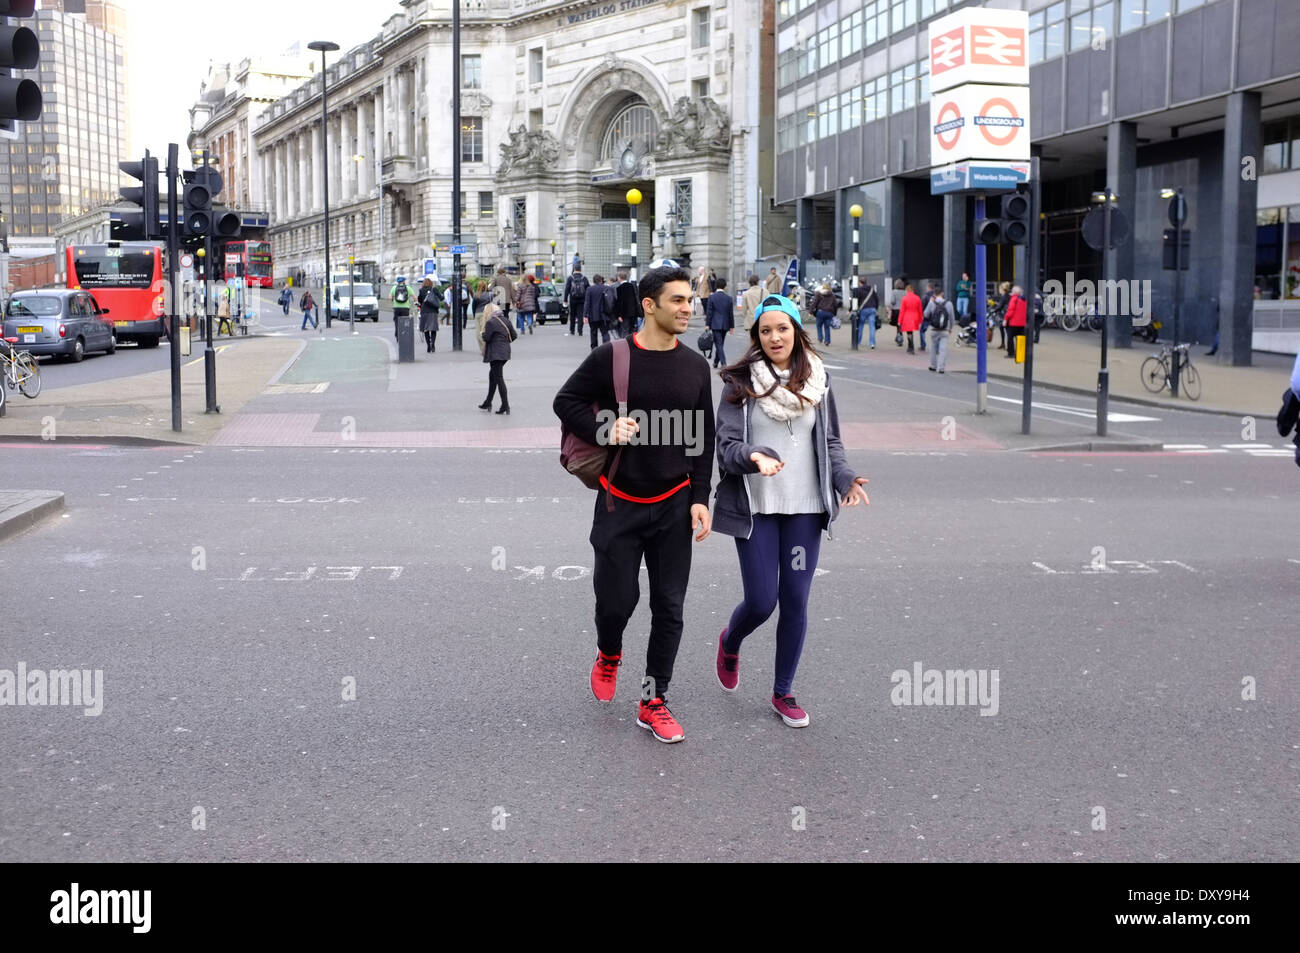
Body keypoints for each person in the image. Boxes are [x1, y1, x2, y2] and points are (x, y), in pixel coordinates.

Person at [552, 265, 716, 744]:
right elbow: (566, 401)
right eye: (679, 301)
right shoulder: (613, 356)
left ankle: (652, 700)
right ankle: (608, 652)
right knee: (616, 602)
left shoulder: (693, 366)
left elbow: (703, 438)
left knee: (670, 607)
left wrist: (701, 497)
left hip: (673, 504)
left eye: (691, 300)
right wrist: (606, 430)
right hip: (619, 503)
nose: (689, 308)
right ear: (649, 305)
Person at [711, 293, 869, 728]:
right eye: (766, 330)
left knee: (795, 599)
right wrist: (753, 455)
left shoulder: (819, 380)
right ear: (757, 337)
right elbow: (725, 448)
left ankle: (784, 692)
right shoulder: (740, 383)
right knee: (762, 602)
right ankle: (730, 641)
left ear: (797, 331)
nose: (775, 337)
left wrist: (846, 480)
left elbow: (831, 443)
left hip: (804, 510)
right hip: (758, 508)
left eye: (782, 328)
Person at [476, 302, 517, 414]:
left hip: (495, 354)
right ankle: (488, 402)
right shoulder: (506, 320)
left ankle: (505, 405)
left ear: (488, 312)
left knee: (498, 378)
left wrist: (483, 334)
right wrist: (504, 342)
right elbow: (514, 335)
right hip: (505, 353)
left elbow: (487, 338)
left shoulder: (490, 322)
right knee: (493, 376)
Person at [705, 276, 736, 368]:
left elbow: (709, 312)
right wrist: (732, 326)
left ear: (716, 286)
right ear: (725, 286)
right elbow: (731, 313)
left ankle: (723, 363)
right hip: (726, 324)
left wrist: (707, 324)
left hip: (715, 324)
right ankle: (715, 362)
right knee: (720, 344)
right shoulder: (729, 298)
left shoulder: (712, 297)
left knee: (719, 344)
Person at [924, 286, 954, 374]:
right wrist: (950, 328)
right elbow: (952, 318)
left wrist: (930, 302)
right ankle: (941, 368)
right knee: (943, 349)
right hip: (945, 329)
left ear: (934, 294)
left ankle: (933, 366)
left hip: (934, 329)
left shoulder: (932, 303)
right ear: (942, 293)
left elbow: (925, 314)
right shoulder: (949, 304)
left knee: (933, 347)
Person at [583, 274, 613, 349]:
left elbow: (587, 303)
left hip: (593, 316)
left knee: (593, 333)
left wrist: (585, 315)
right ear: (601, 280)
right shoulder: (607, 288)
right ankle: (606, 349)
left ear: (593, 281)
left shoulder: (590, 289)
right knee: (605, 333)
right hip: (605, 315)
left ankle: (594, 349)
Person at [611, 270, 642, 340]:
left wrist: (619, 315)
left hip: (624, 314)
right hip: (634, 313)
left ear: (619, 278)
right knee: (633, 330)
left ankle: (626, 346)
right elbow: (636, 299)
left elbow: (620, 303)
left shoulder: (619, 288)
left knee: (625, 330)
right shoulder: (632, 286)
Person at [564, 266, 590, 337]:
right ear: (580, 270)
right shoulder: (584, 278)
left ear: (574, 269)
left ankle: (572, 330)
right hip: (582, 300)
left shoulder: (570, 278)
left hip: (572, 299)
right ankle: (580, 331)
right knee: (580, 315)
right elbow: (588, 289)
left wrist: (565, 300)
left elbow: (567, 289)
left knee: (572, 314)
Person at [810, 282, 838, 347]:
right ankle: (827, 341)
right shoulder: (832, 295)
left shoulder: (819, 294)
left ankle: (820, 338)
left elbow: (814, 303)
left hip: (820, 313)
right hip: (829, 313)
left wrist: (810, 312)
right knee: (827, 327)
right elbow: (835, 305)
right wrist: (834, 313)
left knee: (819, 326)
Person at [897, 283, 923, 353]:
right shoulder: (917, 298)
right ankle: (910, 347)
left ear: (907, 290)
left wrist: (899, 321)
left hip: (907, 317)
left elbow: (902, 311)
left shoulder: (904, 299)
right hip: (915, 317)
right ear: (913, 290)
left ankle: (911, 346)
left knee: (909, 332)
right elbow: (920, 310)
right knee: (911, 332)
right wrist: (920, 320)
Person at [855, 277, 879, 349]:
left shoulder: (859, 290)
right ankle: (872, 343)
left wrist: (856, 308)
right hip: (872, 309)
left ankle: (858, 342)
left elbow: (857, 300)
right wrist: (876, 308)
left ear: (860, 282)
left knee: (860, 326)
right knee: (872, 327)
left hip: (863, 310)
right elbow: (877, 299)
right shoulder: (871, 289)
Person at [1005, 285, 1027, 358]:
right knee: (1021, 339)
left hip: (1013, 323)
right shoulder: (1024, 299)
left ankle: (1011, 353)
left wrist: (1006, 319)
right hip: (1022, 323)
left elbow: (1010, 311)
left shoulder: (1014, 299)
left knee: (1010, 338)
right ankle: (1020, 354)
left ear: (1014, 292)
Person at [418, 278, 439, 352]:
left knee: (426, 329)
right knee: (433, 329)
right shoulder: (434, 289)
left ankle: (428, 345)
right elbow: (441, 298)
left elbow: (419, 301)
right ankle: (433, 344)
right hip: (433, 311)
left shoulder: (421, 290)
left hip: (424, 311)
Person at [994, 281, 1012, 350]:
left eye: (1000, 289)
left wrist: (994, 310)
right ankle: (1005, 344)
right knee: (1005, 329)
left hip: (1004, 315)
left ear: (1002, 289)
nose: (999, 290)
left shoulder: (1004, 296)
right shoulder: (1009, 295)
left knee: (1004, 329)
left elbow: (1000, 306)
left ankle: (1005, 345)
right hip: (1008, 314)